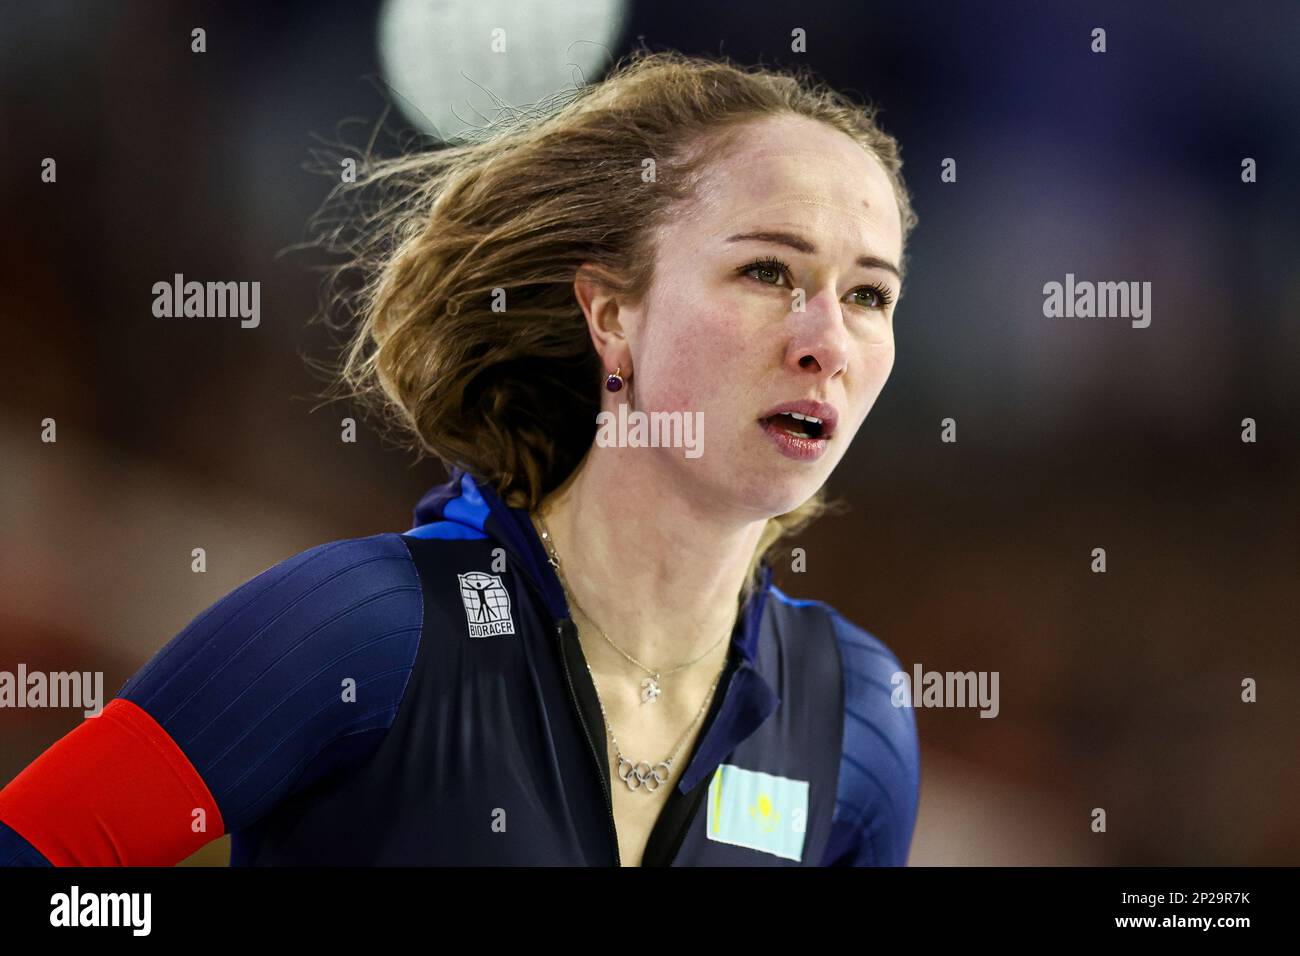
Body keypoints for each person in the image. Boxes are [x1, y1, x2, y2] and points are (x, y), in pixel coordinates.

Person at [0, 49, 920, 867]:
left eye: (870, 295)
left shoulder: (855, 721)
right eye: (768, 272)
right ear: (611, 316)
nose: (828, 341)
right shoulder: (363, 630)